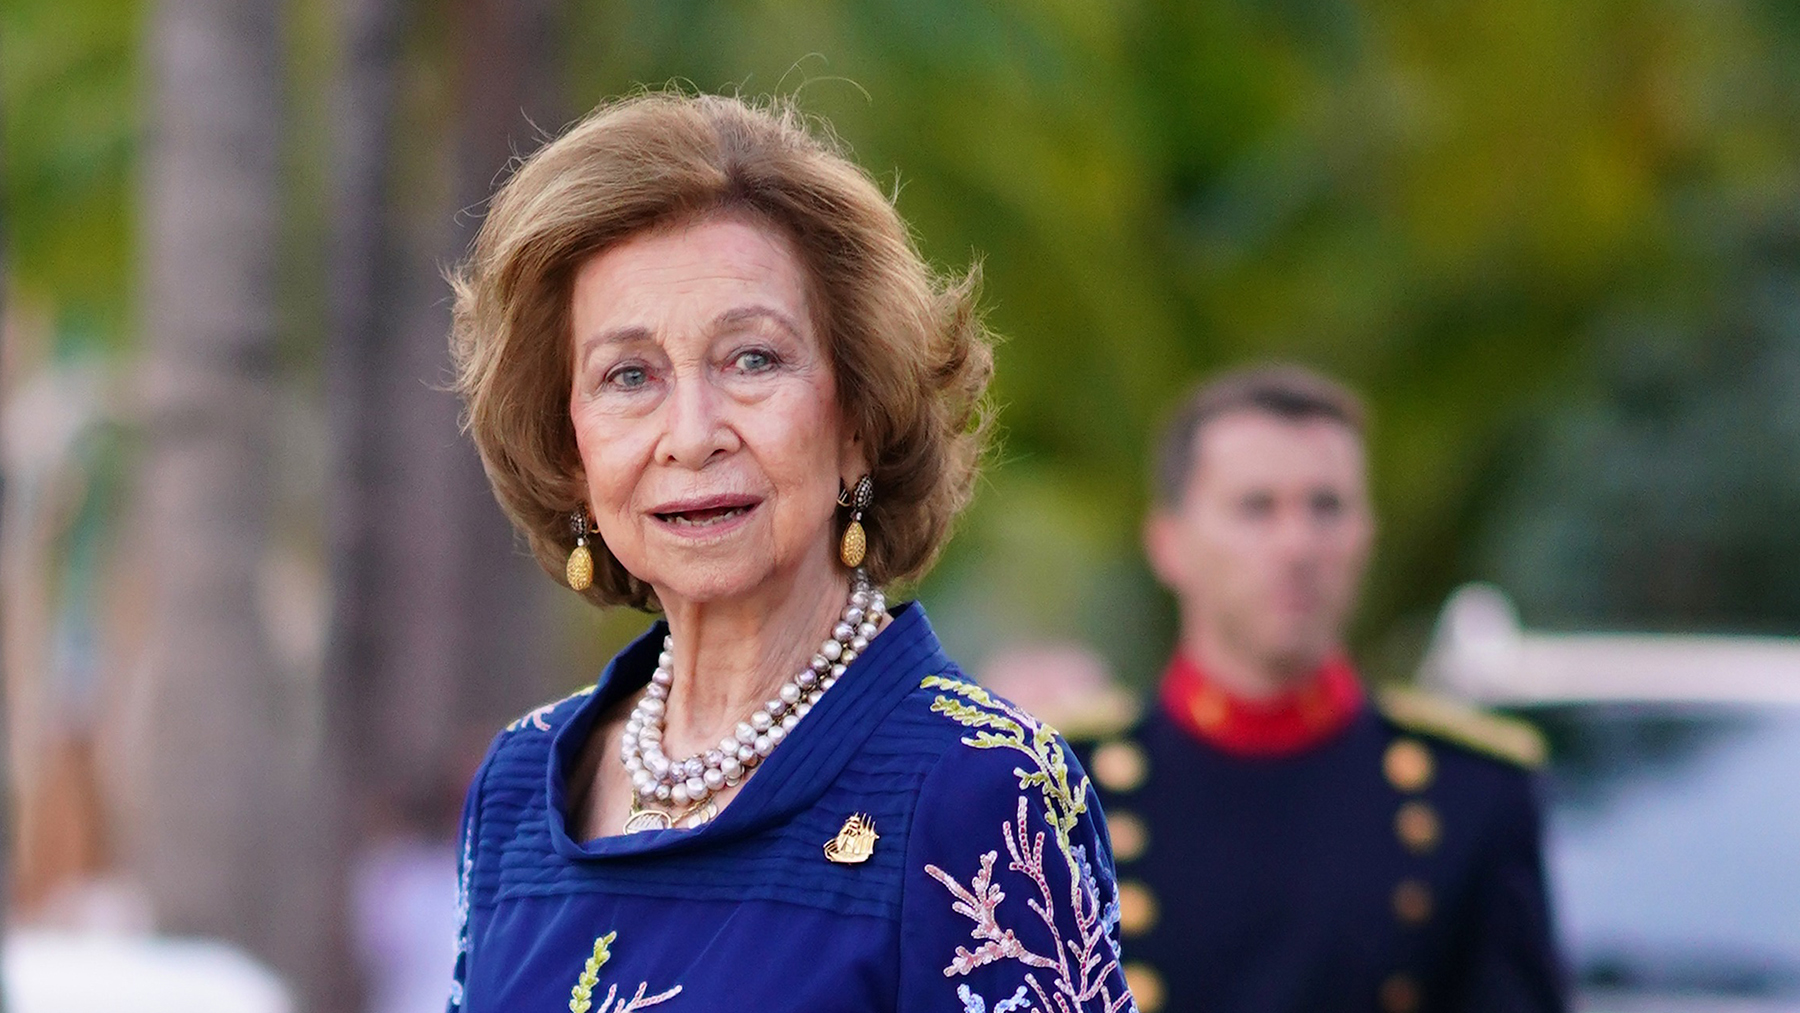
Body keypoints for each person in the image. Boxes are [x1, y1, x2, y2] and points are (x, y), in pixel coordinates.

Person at [443, 92, 1134, 1013]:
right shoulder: (519, 786)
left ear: (858, 418)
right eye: (629, 375)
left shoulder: (979, 790)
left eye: (753, 360)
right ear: (572, 450)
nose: (693, 434)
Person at [1078, 366, 1565, 1013]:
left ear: (1368, 535)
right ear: (1168, 544)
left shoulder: (1471, 795)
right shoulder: (1068, 789)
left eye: (1327, 507)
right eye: (1256, 507)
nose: (1298, 544)